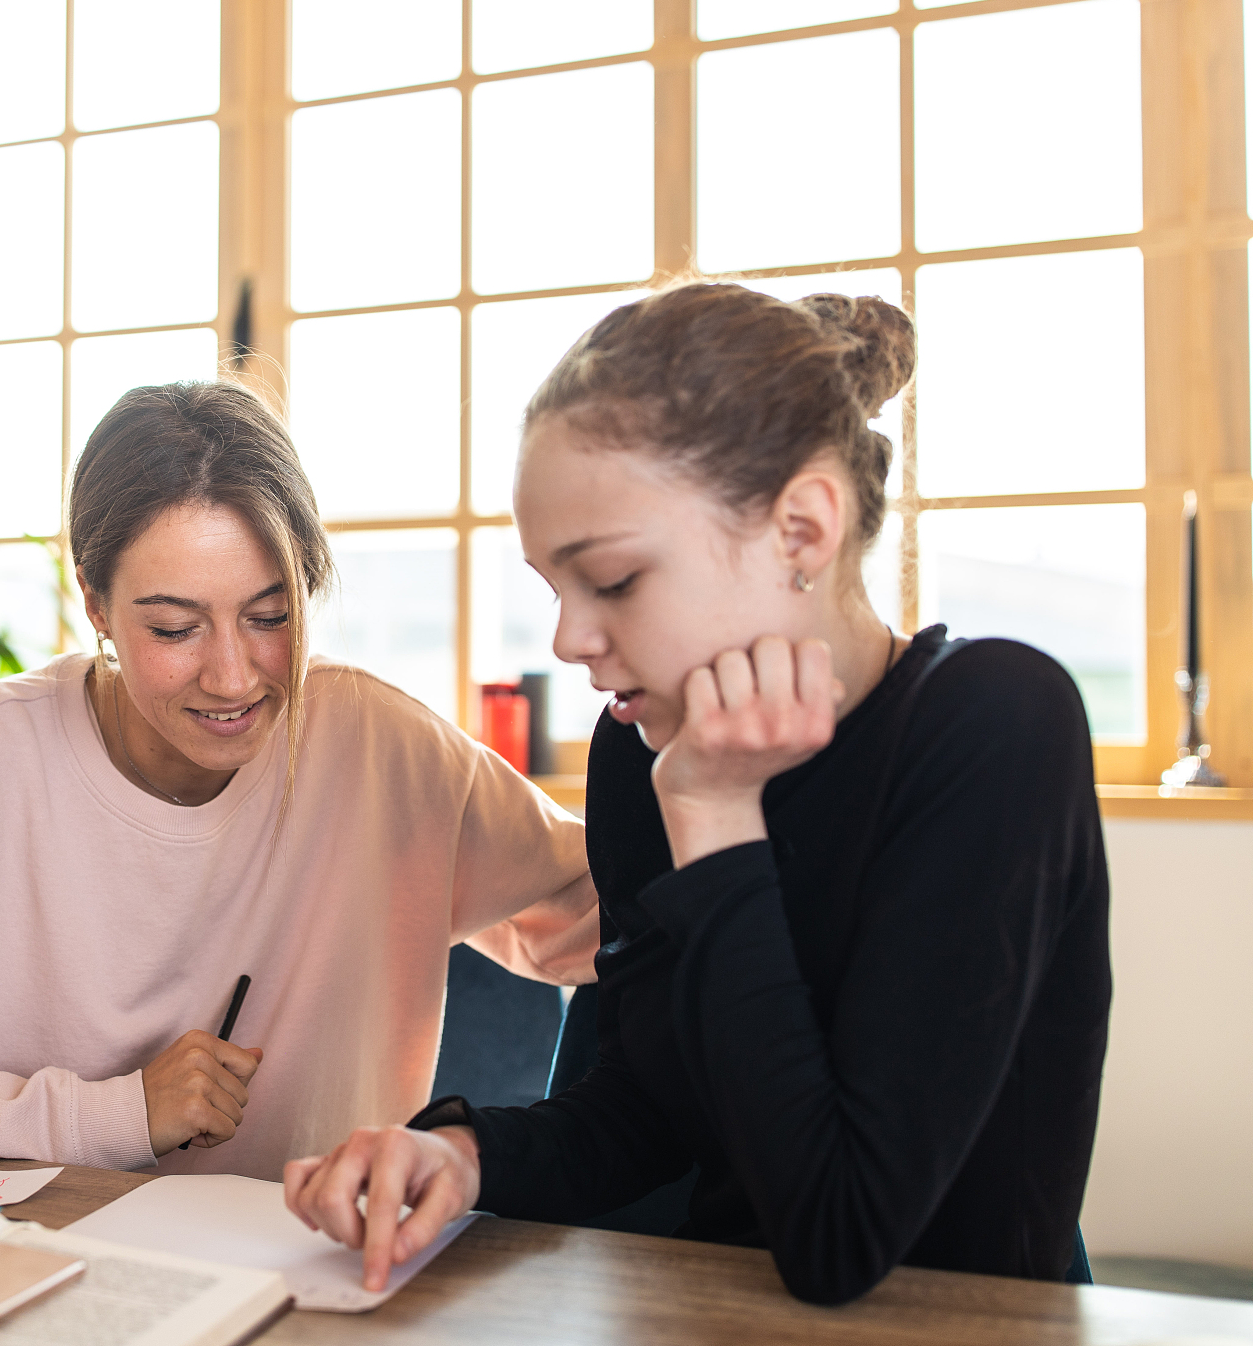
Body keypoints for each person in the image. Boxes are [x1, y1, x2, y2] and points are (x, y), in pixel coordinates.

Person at [282, 283, 1112, 1305]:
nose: (566, 641)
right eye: (554, 588)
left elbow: (839, 1240)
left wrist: (718, 820)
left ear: (801, 532)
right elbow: (649, 1108)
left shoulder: (992, 726)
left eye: (615, 582)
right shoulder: (639, 749)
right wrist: (467, 1155)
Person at [0, 379, 601, 1178]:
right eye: (175, 628)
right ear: (96, 603)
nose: (233, 676)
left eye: (271, 617)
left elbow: (623, 918)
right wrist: (109, 1114)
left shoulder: (385, 748)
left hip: (304, 1288)